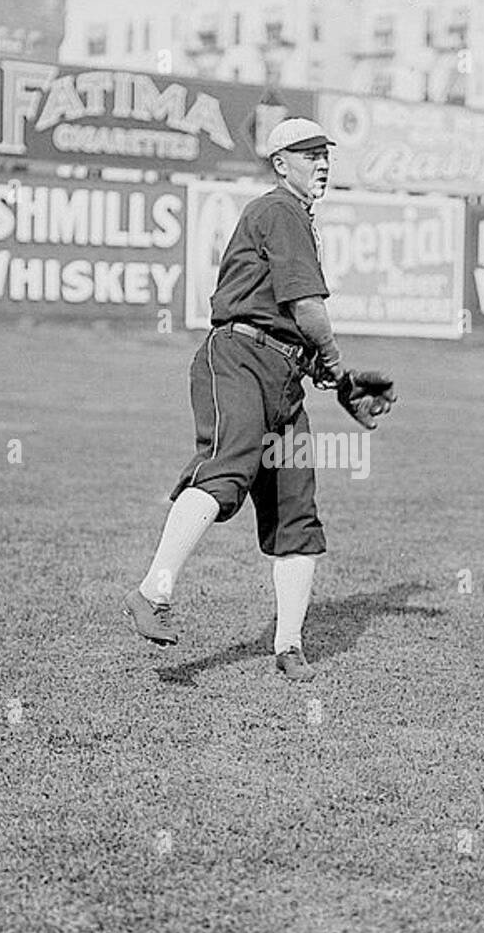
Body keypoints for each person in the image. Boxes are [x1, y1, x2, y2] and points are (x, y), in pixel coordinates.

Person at [122, 117, 395, 681]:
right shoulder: (279, 210)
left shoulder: (297, 216)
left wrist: (329, 377)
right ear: (280, 163)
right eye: (309, 153)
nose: (321, 163)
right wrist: (338, 366)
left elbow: (298, 321)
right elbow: (309, 308)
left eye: (325, 153)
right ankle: (152, 593)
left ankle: (289, 646)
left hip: (283, 375)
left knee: (297, 511)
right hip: (240, 360)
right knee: (227, 472)